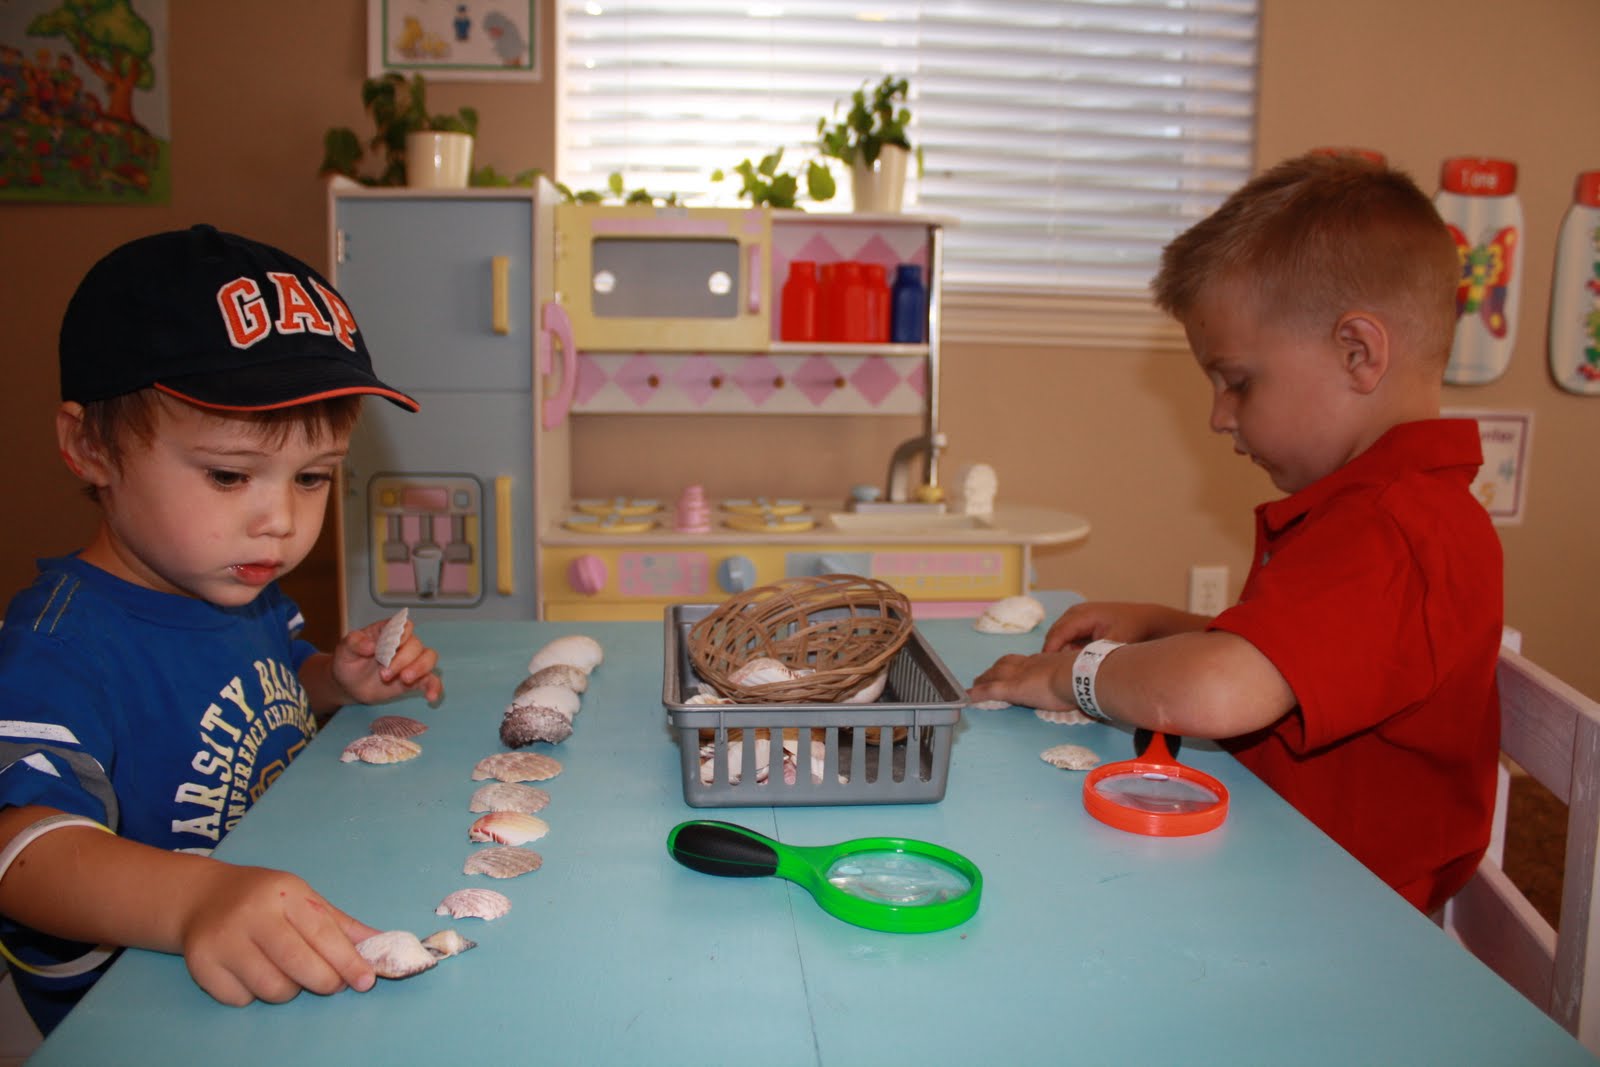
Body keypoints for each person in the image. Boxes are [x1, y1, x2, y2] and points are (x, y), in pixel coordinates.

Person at [970, 153, 1503, 915]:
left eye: (1238, 381)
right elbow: (1294, 661)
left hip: (1342, 920)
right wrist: (1161, 626)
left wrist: (1073, 677)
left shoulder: (1396, 530)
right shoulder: (1382, 508)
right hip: (1291, 865)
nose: (1220, 415)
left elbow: (1224, 689)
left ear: (1358, 352)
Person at [0, 224, 445, 1034]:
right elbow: (21, 851)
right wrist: (193, 899)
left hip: (268, 949)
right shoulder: (59, 645)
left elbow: (274, 683)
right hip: (136, 1011)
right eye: (229, 474)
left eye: (313, 478)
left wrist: (333, 682)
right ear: (88, 446)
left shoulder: (246, 592)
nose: (279, 522)